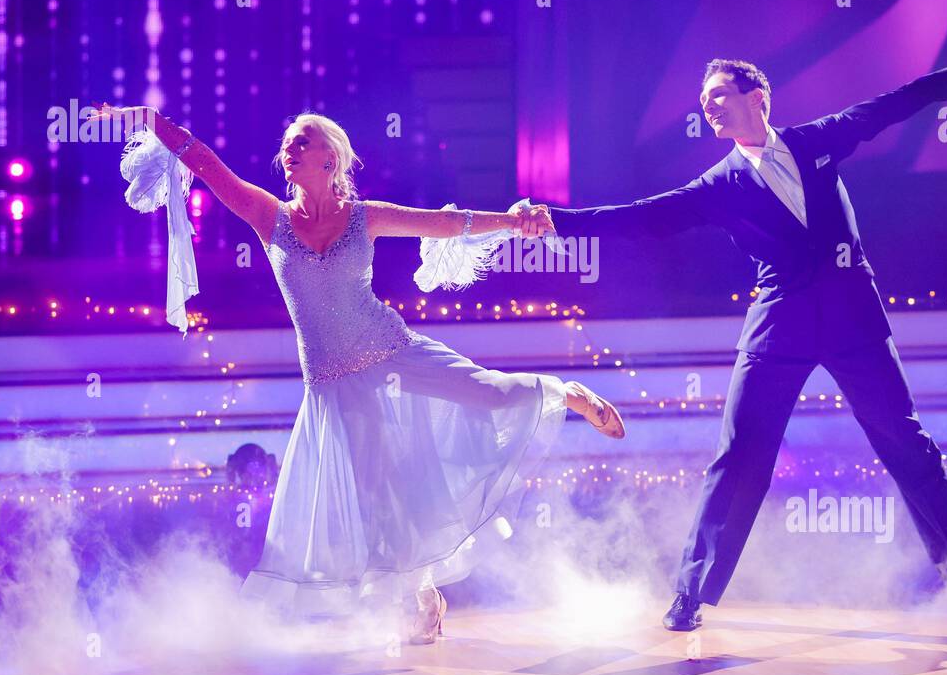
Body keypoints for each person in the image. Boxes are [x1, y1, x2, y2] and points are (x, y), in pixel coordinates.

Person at [522, 61, 947, 630]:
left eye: (718, 94)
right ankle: (691, 592)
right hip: (779, 323)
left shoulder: (818, 140)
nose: (708, 106)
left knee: (908, 447)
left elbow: (890, 105)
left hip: (852, 319)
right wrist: (558, 223)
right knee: (740, 457)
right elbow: (644, 217)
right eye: (703, 100)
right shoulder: (719, 184)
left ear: (757, 96)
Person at [96, 104, 625, 644]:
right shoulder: (267, 215)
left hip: (393, 349)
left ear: (331, 157)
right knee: (379, 501)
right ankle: (421, 597)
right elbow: (204, 162)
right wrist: (147, 120)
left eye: (302, 142)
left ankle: (567, 394)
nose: (290, 150)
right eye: (287, 145)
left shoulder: (362, 217)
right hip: (332, 384)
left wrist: (513, 222)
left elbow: (445, 224)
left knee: (487, 393)